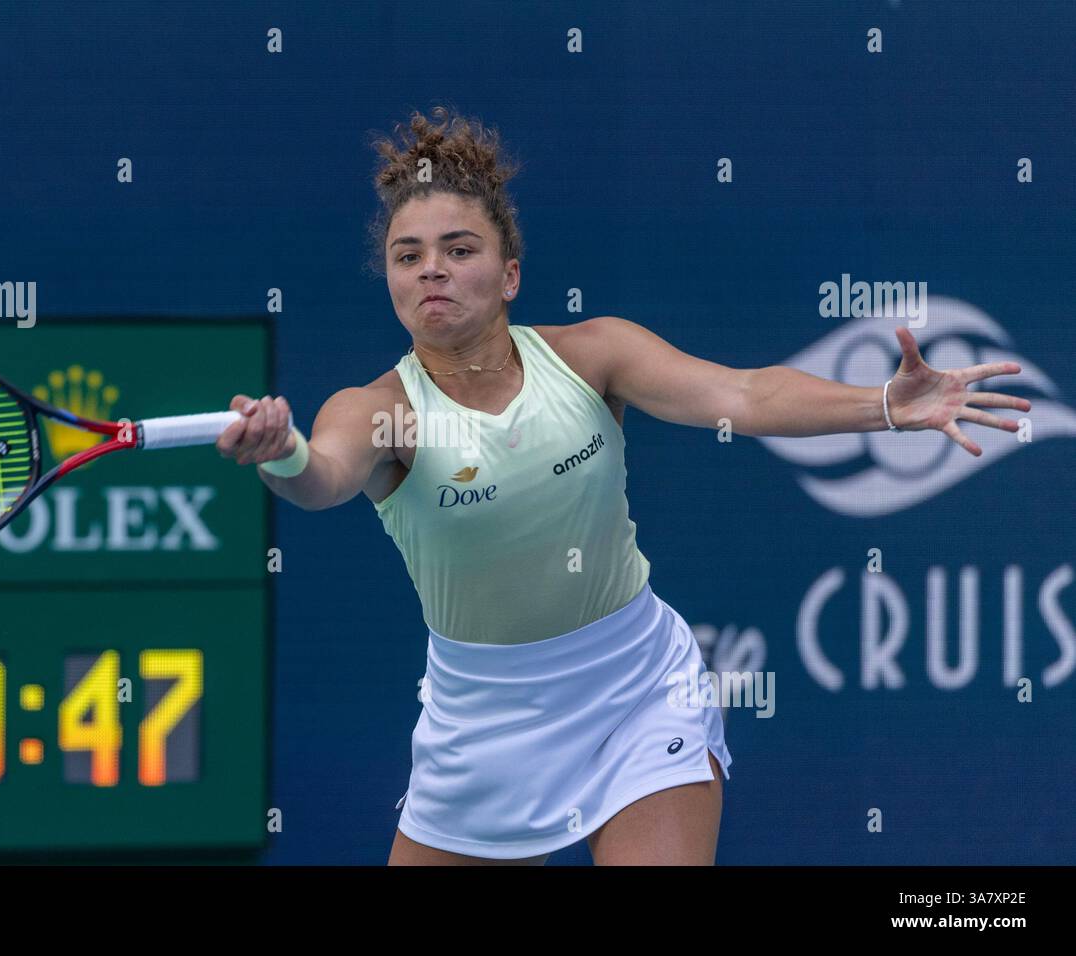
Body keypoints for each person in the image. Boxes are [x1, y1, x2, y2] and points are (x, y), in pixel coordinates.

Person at [216, 107, 1030, 865]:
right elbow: (322, 476)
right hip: (478, 725)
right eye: (409, 256)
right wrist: (279, 452)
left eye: (460, 250)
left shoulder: (591, 356)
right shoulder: (383, 410)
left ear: (509, 276)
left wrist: (886, 403)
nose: (433, 270)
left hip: (637, 690)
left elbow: (743, 396)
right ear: (391, 281)